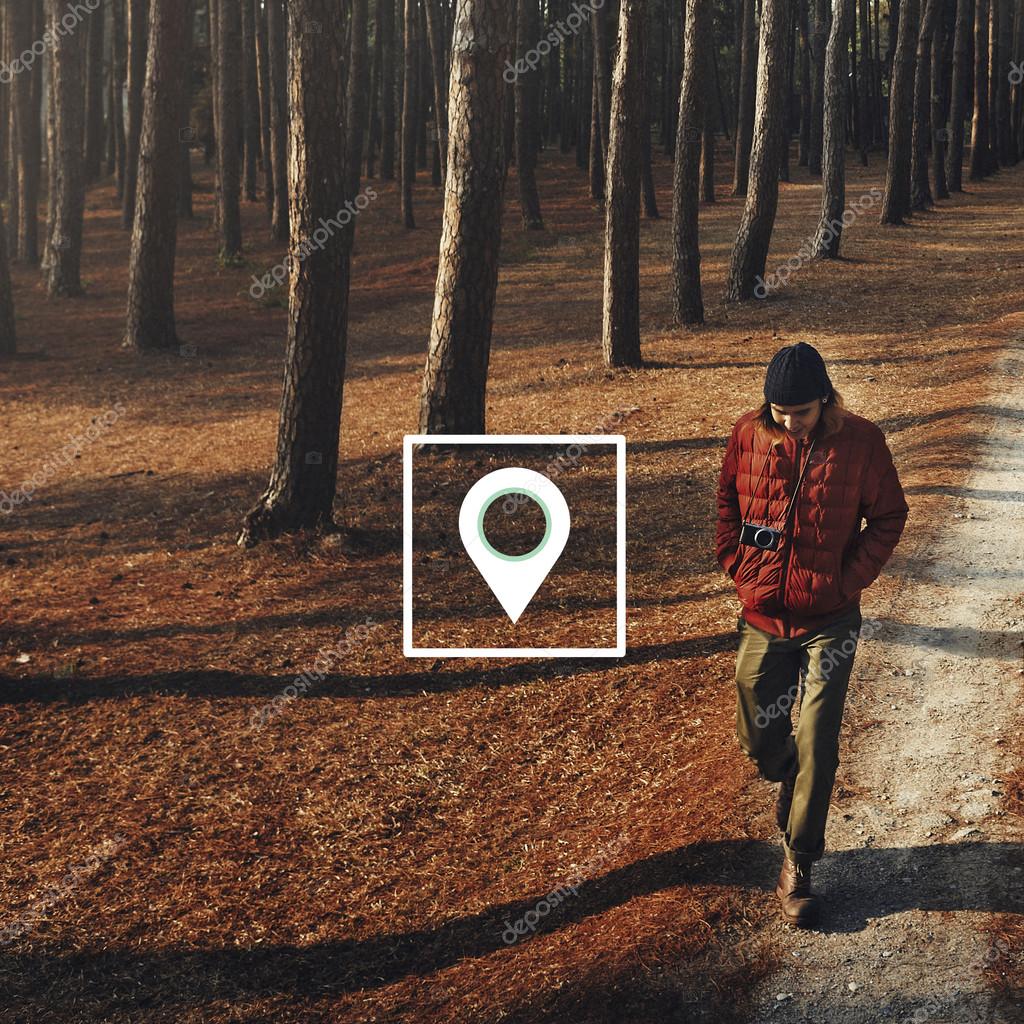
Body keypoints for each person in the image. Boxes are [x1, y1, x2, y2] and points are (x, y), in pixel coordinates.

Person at [715, 342, 908, 927]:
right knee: (757, 728)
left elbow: (890, 516)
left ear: (824, 399)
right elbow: (726, 502)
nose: (789, 422)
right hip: (763, 614)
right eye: (780, 411)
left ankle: (798, 863)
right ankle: (786, 774)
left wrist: (846, 581)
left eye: (799, 411)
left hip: (831, 622)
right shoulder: (749, 434)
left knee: (818, 736)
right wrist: (736, 565)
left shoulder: (861, 441)